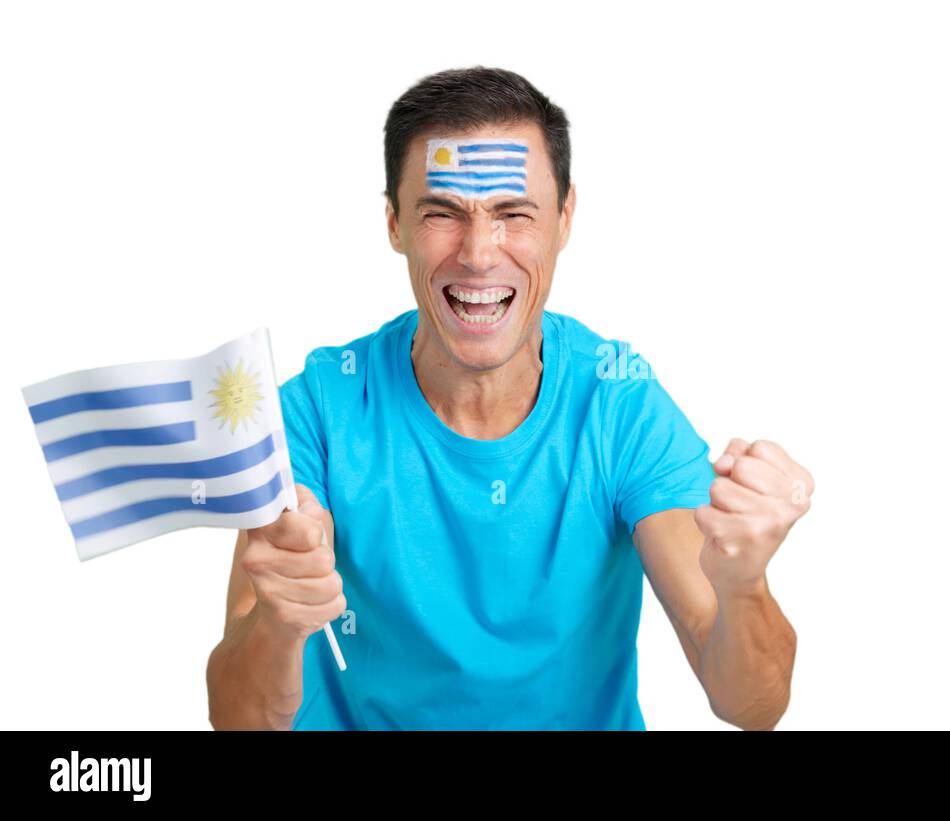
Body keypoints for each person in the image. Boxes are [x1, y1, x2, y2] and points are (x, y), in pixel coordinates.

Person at [205, 66, 814, 730]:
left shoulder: (619, 405)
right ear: (394, 223)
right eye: (443, 214)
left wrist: (744, 582)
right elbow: (237, 720)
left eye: (512, 214)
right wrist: (278, 621)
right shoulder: (318, 410)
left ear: (564, 218)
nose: (478, 253)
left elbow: (753, 705)